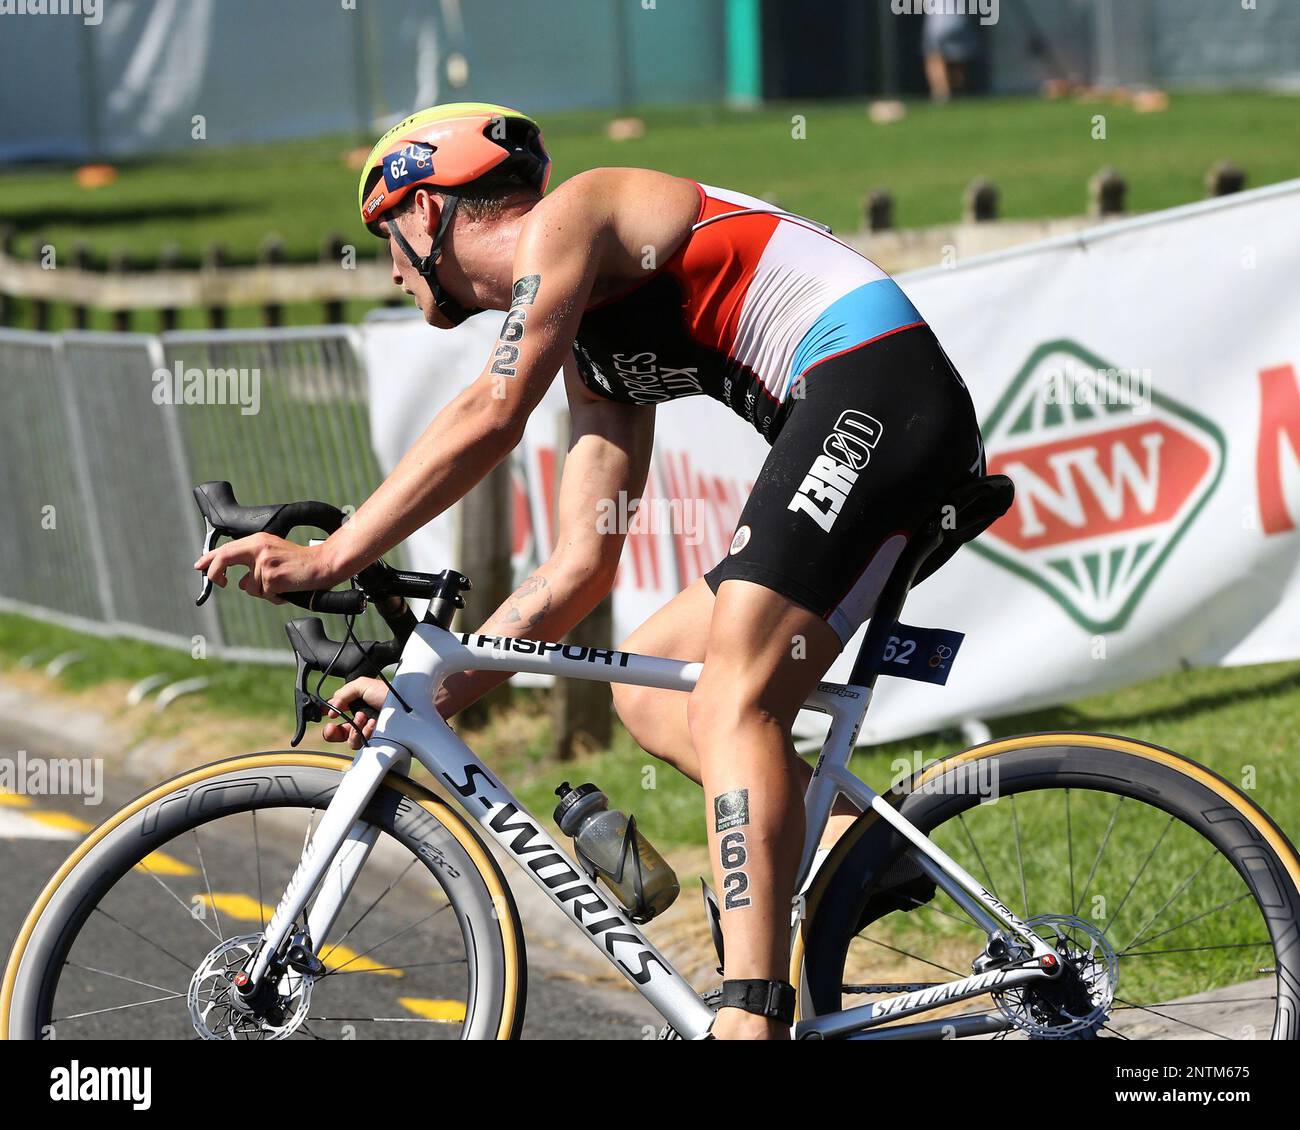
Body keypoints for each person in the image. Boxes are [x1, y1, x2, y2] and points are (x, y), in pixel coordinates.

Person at [195, 103, 985, 1040]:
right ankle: (862, 857)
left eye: (387, 239)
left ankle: (750, 1019)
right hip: (874, 412)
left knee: (736, 697)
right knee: (653, 690)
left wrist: (331, 554)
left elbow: (493, 412)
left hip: (876, 393)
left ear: (425, 211)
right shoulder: (596, 351)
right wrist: (437, 688)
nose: (394, 269)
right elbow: (579, 570)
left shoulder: (573, 214)